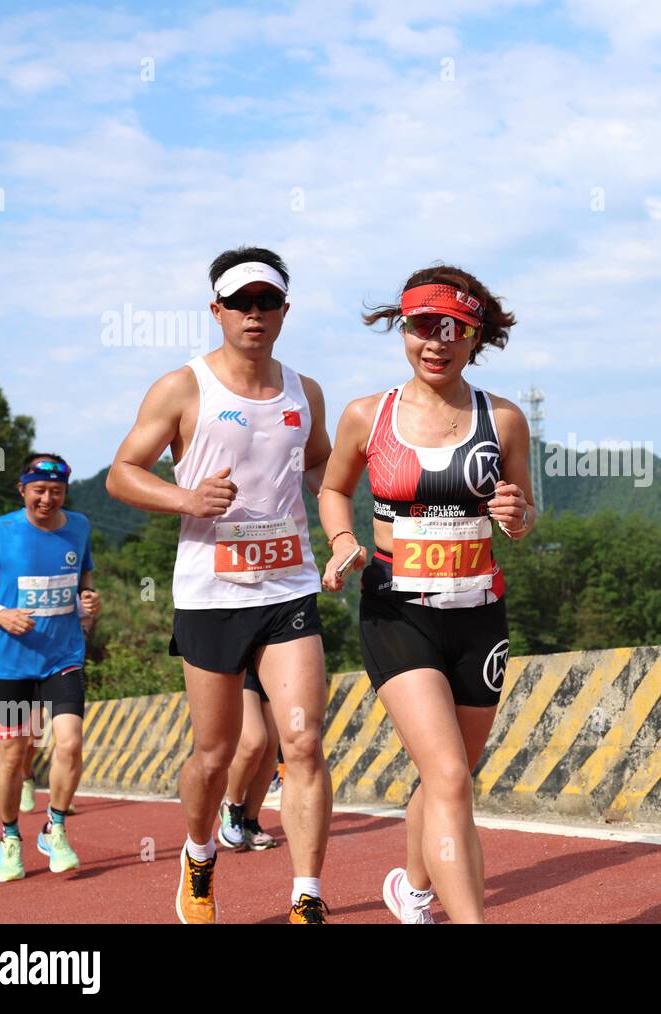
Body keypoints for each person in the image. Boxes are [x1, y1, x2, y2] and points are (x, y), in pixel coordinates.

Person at [106, 247, 333, 923]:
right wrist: (187, 499)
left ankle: (306, 896)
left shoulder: (306, 392)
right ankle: (199, 856)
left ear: (285, 311)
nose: (253, 313)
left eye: (267, 301)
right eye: (240, 302)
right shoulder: (183, 388)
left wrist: (352, 526)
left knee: (303, 743)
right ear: (217, 310)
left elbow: (321, 470)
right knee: (215, 753)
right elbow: (122, 473)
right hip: (211, 594)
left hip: (288, 587)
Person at [318, 266, 533, 924]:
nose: (435, 343)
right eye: (420, 327)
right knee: (449, 778)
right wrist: (342, 541)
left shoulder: (503, 419)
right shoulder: (367, 415)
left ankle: (412, 891)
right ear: (402, 329)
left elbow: (523, 515)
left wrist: (517, 516)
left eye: (451, 330)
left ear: (475, 337)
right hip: (397, 611)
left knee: (453, 776)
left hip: (479, 615)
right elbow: (333, 489)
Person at [0, 453, 101, 882]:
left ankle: (55, 828)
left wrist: (90, 602)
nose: (47, 499)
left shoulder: (79, 526)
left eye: (56, 491)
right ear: (22, 489)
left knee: (69, 743)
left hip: (63, 659)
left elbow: (85, 583)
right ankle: (10, 837)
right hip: (12, 664)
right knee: (14, 754)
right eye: (39, 490)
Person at [217, 668, 281, 851]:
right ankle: (232, 805)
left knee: (271, 747)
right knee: (255, 741)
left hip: (271, 659)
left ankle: (250, 822)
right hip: (240, 660)